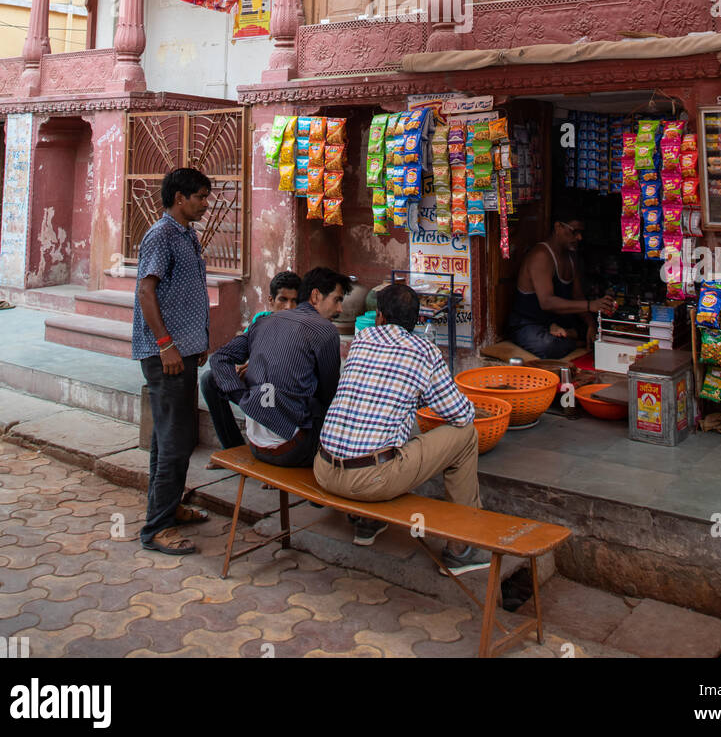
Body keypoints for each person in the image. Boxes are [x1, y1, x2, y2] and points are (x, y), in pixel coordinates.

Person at [314, 281, 487, 574]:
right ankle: (461, 548)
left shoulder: (362, 339)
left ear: (379, 316)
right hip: (373, 481)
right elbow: (460, 415)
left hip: (324, 469)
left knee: (397, 421)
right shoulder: (425, 351)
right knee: (466, 435)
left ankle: (368, 523)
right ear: (417, 321)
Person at [132, 166, 212, 557]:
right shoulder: (160, 235)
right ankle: (156, 528)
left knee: (170, 440)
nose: (204, 204)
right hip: (167, 355)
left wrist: (198, 341)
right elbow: (146, 292)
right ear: (180, 198)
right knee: (175, 441)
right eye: (199, 197)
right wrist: (166, 345)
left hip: (183, 350)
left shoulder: (188, 235)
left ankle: (167, 507)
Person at [201, 267, 350, 467]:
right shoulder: (325, 331)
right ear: (315, 296)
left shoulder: (263, 323)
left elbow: (220, 357)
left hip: (256, 445)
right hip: (291, 450)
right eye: (337, 300)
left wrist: (244, 398)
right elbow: (328, 395)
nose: (340, 309)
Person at [508, 214, 615, 359]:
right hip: (529, 324)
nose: (579, 238)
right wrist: (590, 305)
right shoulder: (541, 256)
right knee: (548, 346)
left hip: (557, 322)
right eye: (574, 231)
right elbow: (547, 302)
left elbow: (577, 297)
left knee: (600, 330)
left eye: (581, 233)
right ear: (558, 227)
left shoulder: (571, 257)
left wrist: (591, 324)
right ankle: (573, 339)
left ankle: (569, 334)